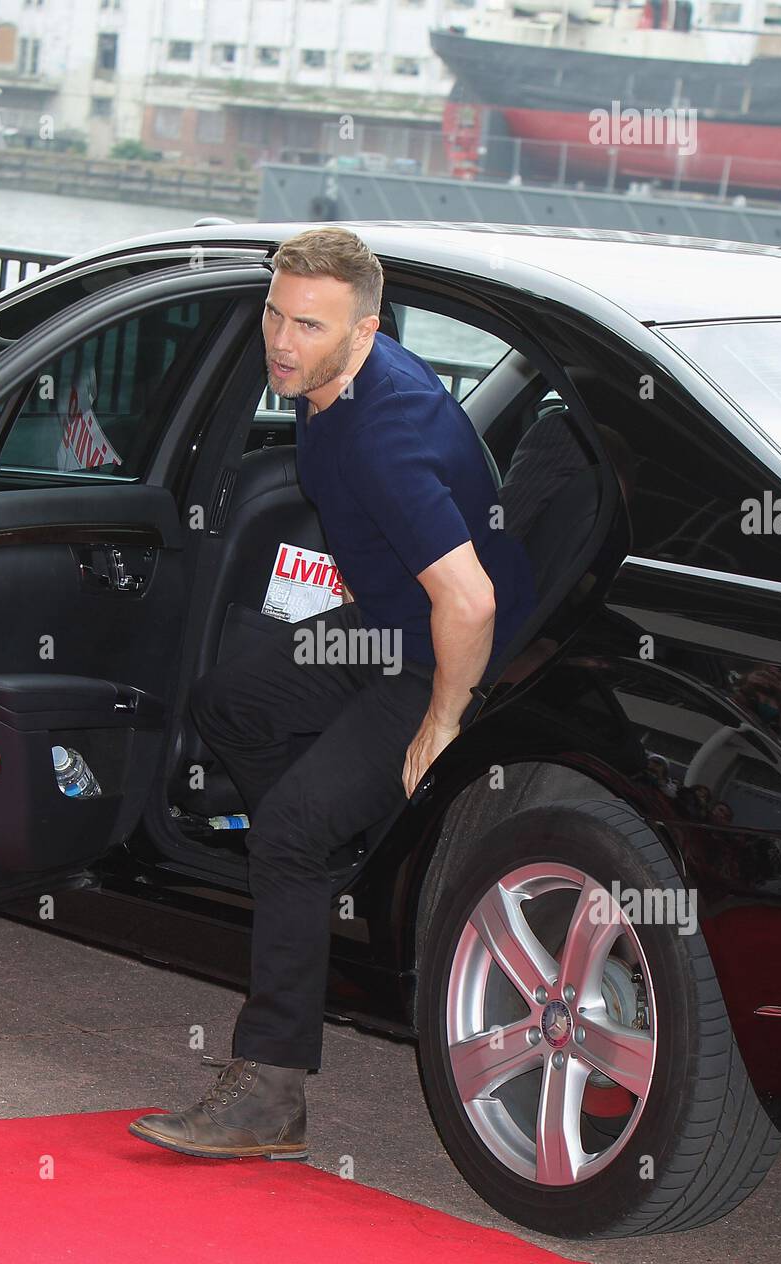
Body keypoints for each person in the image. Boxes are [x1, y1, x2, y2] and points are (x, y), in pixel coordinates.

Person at [129, 226, 536, 1160]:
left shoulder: (386, 433)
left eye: (308, 325)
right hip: (388, 624)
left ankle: (270, 1093)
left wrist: (443, 717)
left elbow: (467, 599)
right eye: (274, 313)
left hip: (443, 653)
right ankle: (314, 871)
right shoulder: (327, 380)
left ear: (364, 331)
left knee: (289, 831)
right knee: (230, 701)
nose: (281, 339)